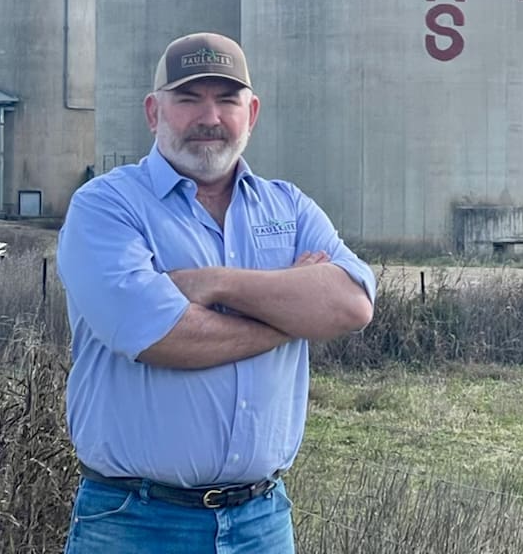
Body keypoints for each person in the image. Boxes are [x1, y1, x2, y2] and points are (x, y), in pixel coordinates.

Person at [57, 32, 375, 554]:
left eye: (227, 100)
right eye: (188, 99)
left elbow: (352, 305)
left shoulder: (289, 207)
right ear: (153, 112)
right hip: (134, 522)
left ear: (252, 114)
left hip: (261, 522)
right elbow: (158, 335)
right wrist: (293, 315)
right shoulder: (107, 206)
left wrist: (214, 283)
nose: (210, 117)